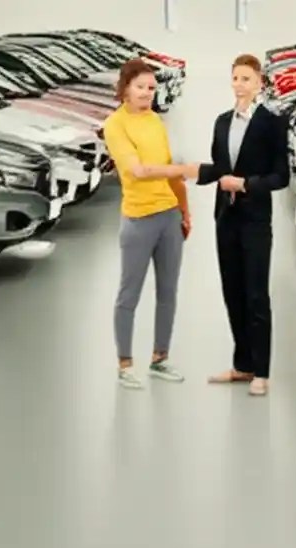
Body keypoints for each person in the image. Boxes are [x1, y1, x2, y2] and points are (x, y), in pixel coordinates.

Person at [100, 58, 200, 390]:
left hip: (169, 216)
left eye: (152, 88)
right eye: (141, 87)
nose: (147, 93)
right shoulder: (115, 125)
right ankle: (125, 364)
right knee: (129, 295)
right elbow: (138, 171)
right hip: (139, 220)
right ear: (125, 87)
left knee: (168, 292)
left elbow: (168, 167)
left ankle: (160, 359)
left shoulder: (156, 121)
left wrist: (184, 210)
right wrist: (184, 171)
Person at [196, 54, 290, 397]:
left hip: (254, 221)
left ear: (259, 83)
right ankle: (242, 365)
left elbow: (281, 176)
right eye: (235, 78)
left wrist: (247, 184)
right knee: (232, 293)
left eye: (246, 79)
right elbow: (220, 167)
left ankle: (261, 371)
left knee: (255, 296)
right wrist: (183, 171)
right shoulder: (222, 122)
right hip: (226, 219)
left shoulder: (271, 123)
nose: (239, 85)